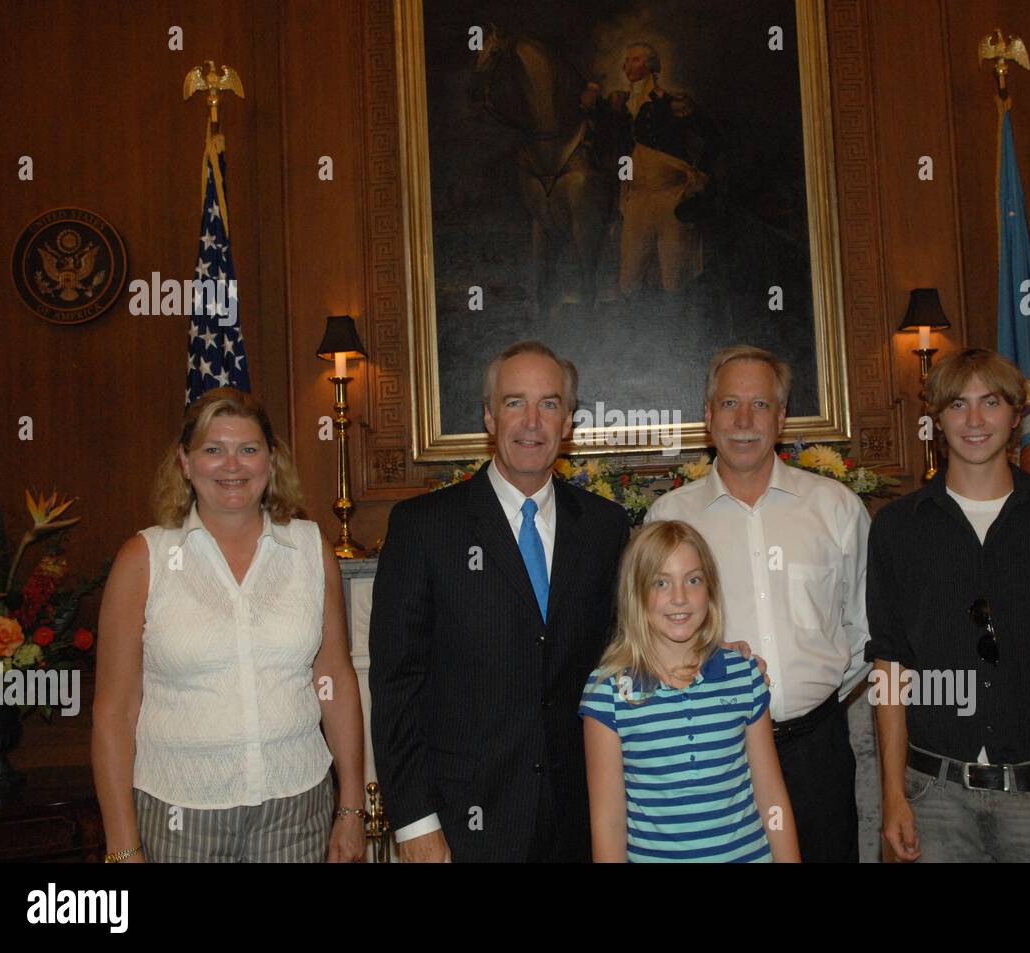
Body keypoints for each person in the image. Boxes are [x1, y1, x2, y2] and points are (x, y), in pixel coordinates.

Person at [369, 340, 633, 862]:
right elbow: (396, 684)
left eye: (549, 404)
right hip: (464, 823)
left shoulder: (606, 528)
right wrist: (415, 822)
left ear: (569, 422)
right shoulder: (425, 527)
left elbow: (626, 657)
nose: (532, 422)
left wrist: (712, 659)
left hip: (581, 821)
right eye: (515, 403)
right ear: (489, 417)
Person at [92, 388, 366, 863]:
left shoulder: (309, 547)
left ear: (271, 459)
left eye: (248, 449)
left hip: (297, 812)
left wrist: (352, 808)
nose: (232, 465)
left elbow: (335, 679)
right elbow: (114, 711)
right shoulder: (144, 558)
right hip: (180, 818)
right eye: (213, 450)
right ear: (185, 462)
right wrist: (122, 846)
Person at [866, 348, 1030, 863]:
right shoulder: (897, 527)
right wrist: (893, 795)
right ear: (936, 420)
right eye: (958, 405)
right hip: (930, 796)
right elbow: (890, 665)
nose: (974, 421)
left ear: (1016, 414)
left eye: (991, 402)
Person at [646, 345, 872, 862]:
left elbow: (864, 628)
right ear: (707, 417)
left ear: (783, 416)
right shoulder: (669, 517)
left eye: (761, 405)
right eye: (729, 404)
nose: (744, 420)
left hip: (817, 748)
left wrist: (810, 694)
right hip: (713, 753)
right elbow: (651, 635)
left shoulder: (835, 508)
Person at [581, 520, 800, 863]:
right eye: (661, 583)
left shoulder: (743, 676)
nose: (679, 597)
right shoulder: (608, 693)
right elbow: (608, 823)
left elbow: (771, 795)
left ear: (710, 589)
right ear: (635, 593)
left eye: (693, 580)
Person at [612, 42, 722, 296]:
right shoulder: (621, 105)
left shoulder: (673, 102)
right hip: (637, 198)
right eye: (627, 60)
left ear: (651, 65)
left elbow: (714, 139)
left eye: (636, 59)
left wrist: (698, 176)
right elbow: (619, 152)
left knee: (673, 277)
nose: (629, 65)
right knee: (630, 278)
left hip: (670, 197)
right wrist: (625, 188)